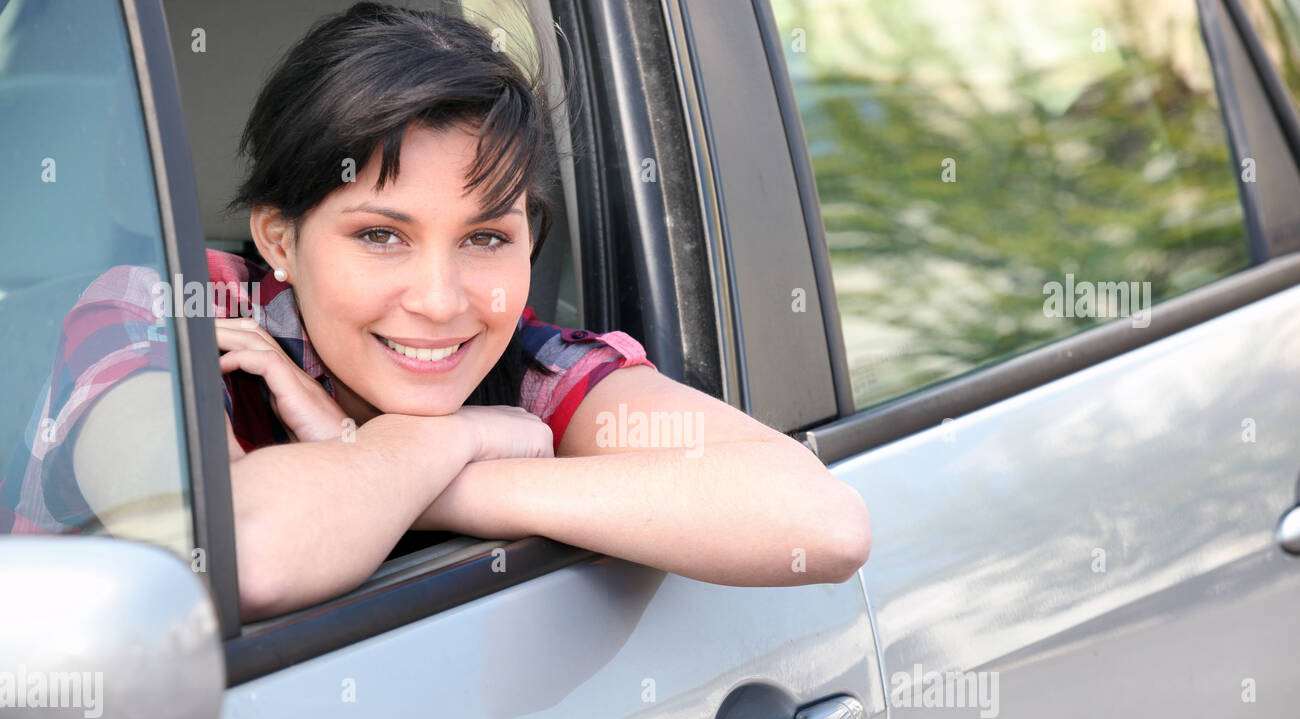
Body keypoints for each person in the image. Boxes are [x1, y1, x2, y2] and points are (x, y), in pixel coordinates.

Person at [1, 2, 870, 622]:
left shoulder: (526, 363)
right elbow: (245, 554)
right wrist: (439, 439)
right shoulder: (161, 316)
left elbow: (820, 523)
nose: (440, 300)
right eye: (381, 235)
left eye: (487, 239)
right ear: (279, 238)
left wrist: (435, 485)